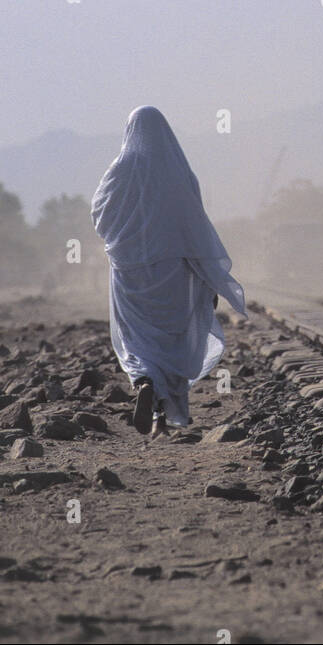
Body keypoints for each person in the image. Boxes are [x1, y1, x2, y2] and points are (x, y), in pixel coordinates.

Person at [91, 106, 247, 437]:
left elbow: (100, 214)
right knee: (176, 338)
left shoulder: (120, 170)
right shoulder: (180, 173)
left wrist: (127, 244)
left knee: (140, 338)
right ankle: (166, 418)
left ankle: (145, 380)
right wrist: (208, 276)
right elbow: (196, 228)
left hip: (131, 274)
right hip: (175, 273)